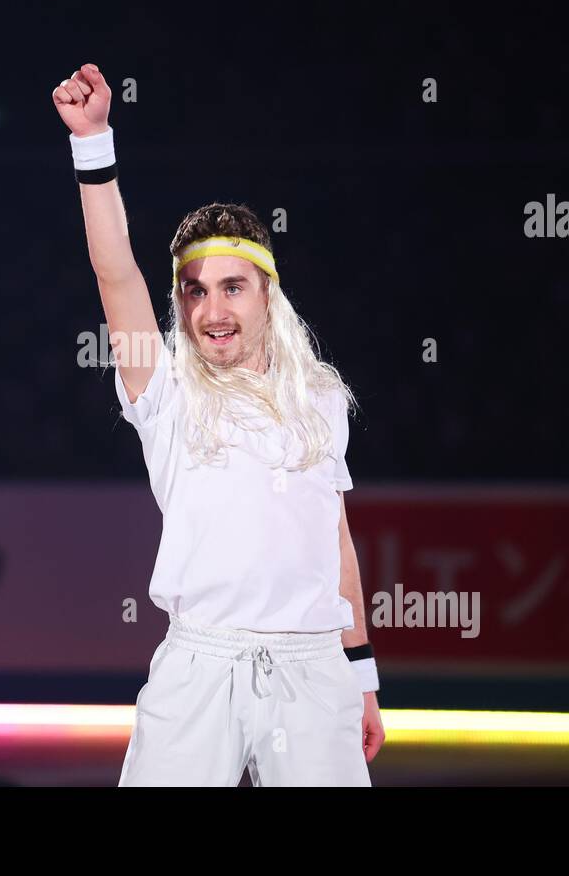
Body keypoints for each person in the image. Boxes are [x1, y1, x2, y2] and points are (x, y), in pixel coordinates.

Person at [52, 63, 385, 786]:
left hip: (314, 667)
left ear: (267, 292)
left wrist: (362, 673)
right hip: (200, 664)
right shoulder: (164, 389)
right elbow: (116, 276)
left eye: (232, 287)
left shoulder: (322, 397)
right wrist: (94, 147)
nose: (212, 310)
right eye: (194, 292)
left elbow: (334, 539)